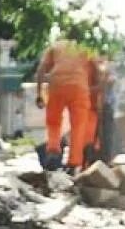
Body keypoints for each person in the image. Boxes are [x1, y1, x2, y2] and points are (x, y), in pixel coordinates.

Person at [36, 39, 100, 171]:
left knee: (53, 121)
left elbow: (41, 69)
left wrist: (39, 94)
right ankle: (74, 162)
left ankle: (53, 150)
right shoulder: (86, 47)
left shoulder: (55, 46)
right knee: (78, 125)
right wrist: (96, 95)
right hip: (80, 88)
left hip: (57, 85)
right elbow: (98, 71)